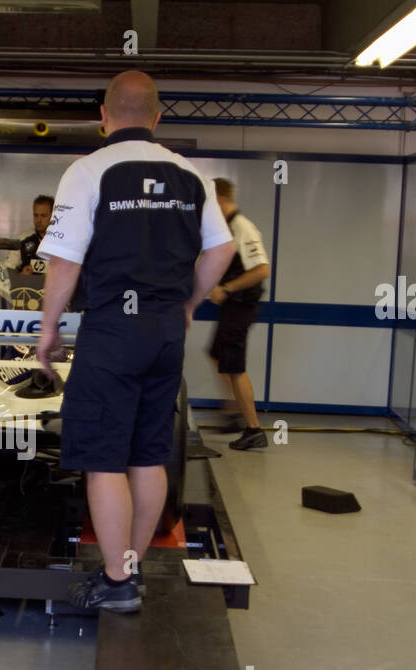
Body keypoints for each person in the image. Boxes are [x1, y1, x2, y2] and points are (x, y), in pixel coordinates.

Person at [36, 71, 235, 612]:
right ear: (157, 117)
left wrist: (48, 329)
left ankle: (117, 582)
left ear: (104, 115)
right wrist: (189, 304)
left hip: (112, 330)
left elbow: (63, 262)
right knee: (148, 454)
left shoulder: (88, 170)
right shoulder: (192, 174)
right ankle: (132, 567)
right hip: (165, 331)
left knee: (104, 458)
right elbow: (221, 251)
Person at [208, 177, 271, 450]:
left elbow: (261, 270)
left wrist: (227, 288)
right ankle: (233, 412)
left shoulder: (242, 227)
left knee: (234, 367)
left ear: (219, 200)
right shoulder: (227, 227)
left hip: (241, 305)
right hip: (233, 306)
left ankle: (253, 428)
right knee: (217, 354)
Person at [6, 194, 54, 274]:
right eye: (36, 215)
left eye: (43, 216)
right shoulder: (22, 240)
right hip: (28, 286)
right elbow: (8, 270)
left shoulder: (62, 241)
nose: (38, 220)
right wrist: (21, 275)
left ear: (53, 216)